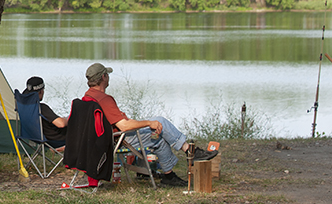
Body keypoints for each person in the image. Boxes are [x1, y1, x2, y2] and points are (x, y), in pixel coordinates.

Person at [81, 62, 217, 187]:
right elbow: (124, 126)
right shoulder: (104, 99)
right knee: (159, 122)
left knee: (157, 135)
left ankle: (169, 176)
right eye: (107, 75)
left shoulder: (87, 97)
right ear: (104, 77)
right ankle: (190, 152)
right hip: (119, 139)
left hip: (103, 139)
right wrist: (149, 123)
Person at [23, 76, 67, 145]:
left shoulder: (25, 108)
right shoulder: (41, 108)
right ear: (41, 91)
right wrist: (68, 118)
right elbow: (61, 124)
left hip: (34, 138)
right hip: (55, 139)